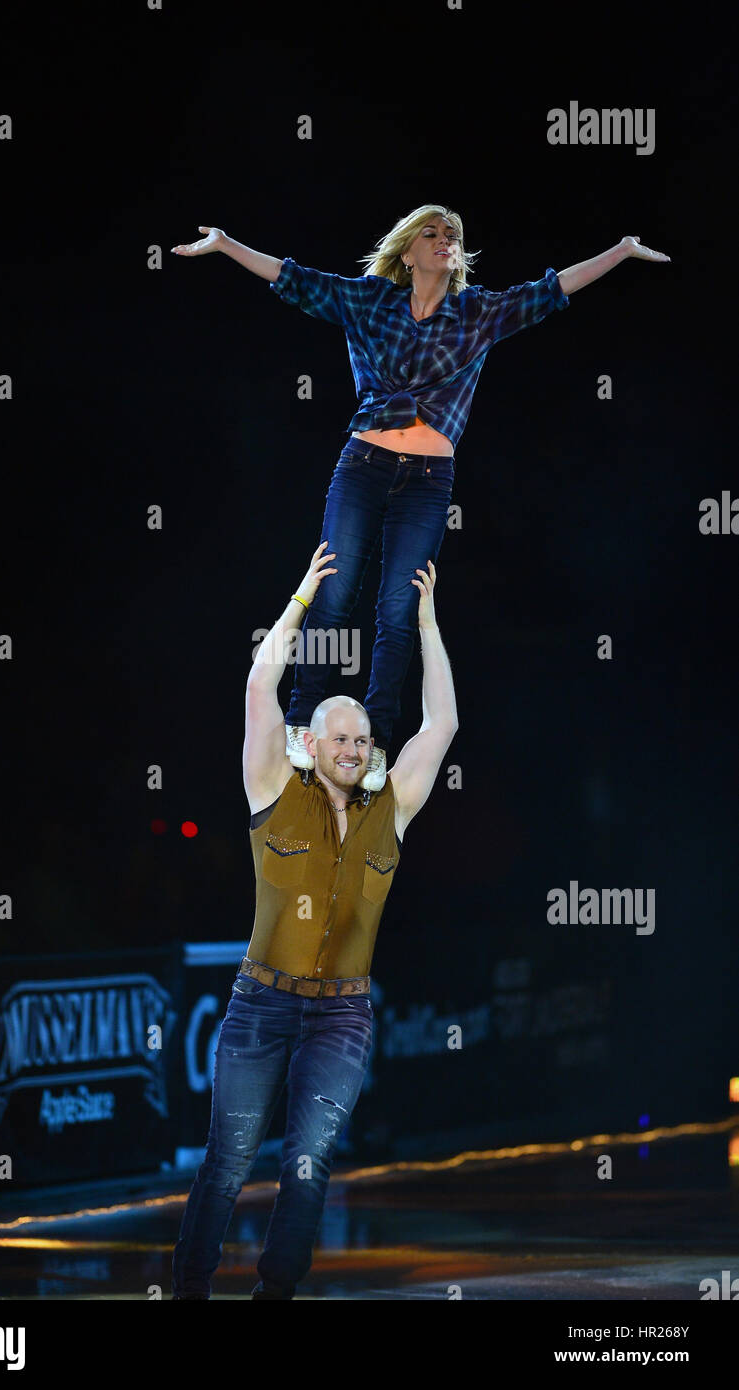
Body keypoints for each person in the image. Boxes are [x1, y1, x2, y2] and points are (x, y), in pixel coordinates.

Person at [171, 208, 669, 791]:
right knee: (333, 590)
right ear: (408, 251)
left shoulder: (478, 312)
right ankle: (304, 722)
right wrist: (227, 243)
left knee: (399, 607)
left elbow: (551, 291)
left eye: (453, 235)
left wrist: (620, 248)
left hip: (429, 480)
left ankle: (375, 737)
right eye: (432, 233)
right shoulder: (369, 301)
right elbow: (294, 280)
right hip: (363, 465)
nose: (445, 241)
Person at [171, 541, 458, 1299]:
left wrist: (426, 625)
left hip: (342, 1016)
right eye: (341, 736)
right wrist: (301, 596)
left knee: (307, 1162)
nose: (355, 745)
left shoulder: (390, 809)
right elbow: (261, 686)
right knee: (229, 1158)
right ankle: (189, 1291)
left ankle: (276, 1292)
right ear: (311, 744)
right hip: (259, 1006)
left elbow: (442, 726)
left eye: (362, 739)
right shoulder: (270, 784)